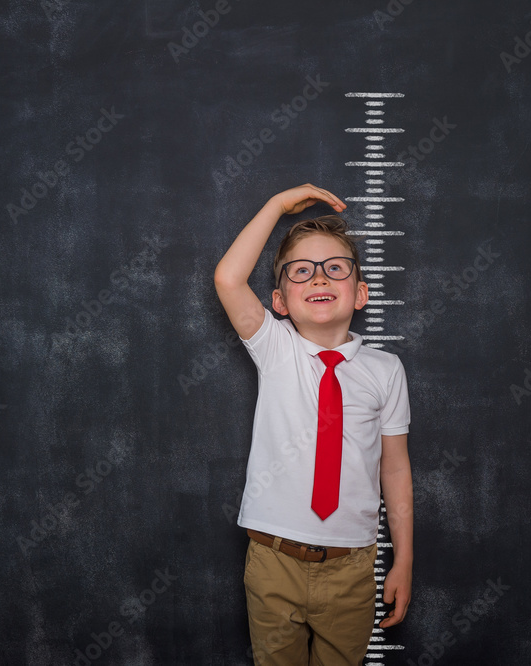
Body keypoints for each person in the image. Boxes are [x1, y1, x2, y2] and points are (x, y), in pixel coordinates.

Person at [214, 183, 413, 665]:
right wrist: (276, 205)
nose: (319, 277)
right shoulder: (275, 347)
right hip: (273, 560)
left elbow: (395, 469)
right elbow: (228, 279)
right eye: (301, 271)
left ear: (360, 293)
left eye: (335, 268)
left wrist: (404, 559)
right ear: (280, 301)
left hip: (352, 565)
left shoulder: (386, 370)